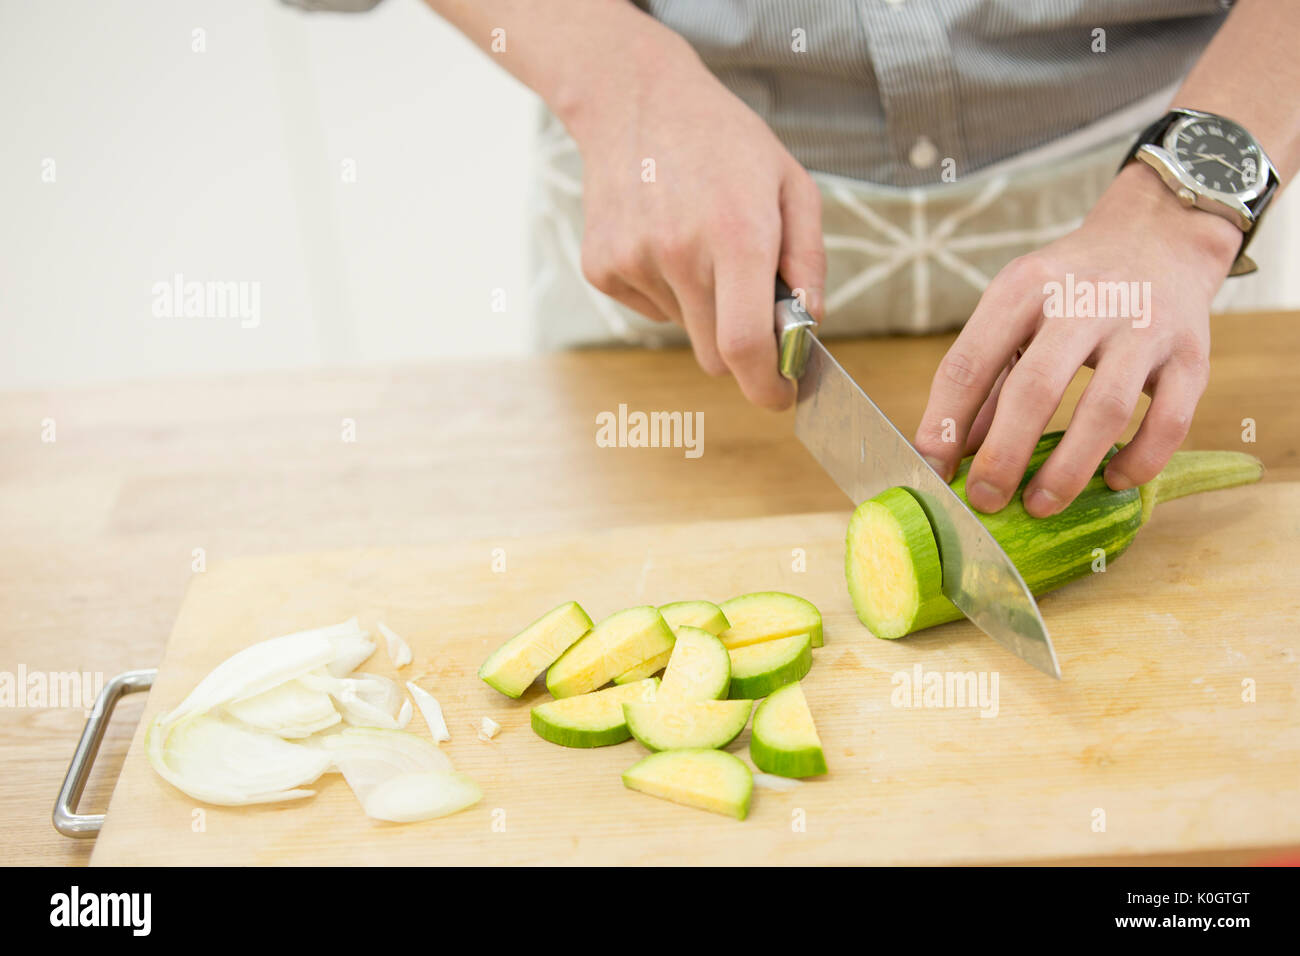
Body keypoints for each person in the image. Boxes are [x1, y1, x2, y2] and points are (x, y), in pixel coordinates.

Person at [289, 0, 1297, 516]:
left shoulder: (1180, 207)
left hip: (1173, 191)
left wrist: (1183, 206)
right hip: (673, 200)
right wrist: (612, 73)